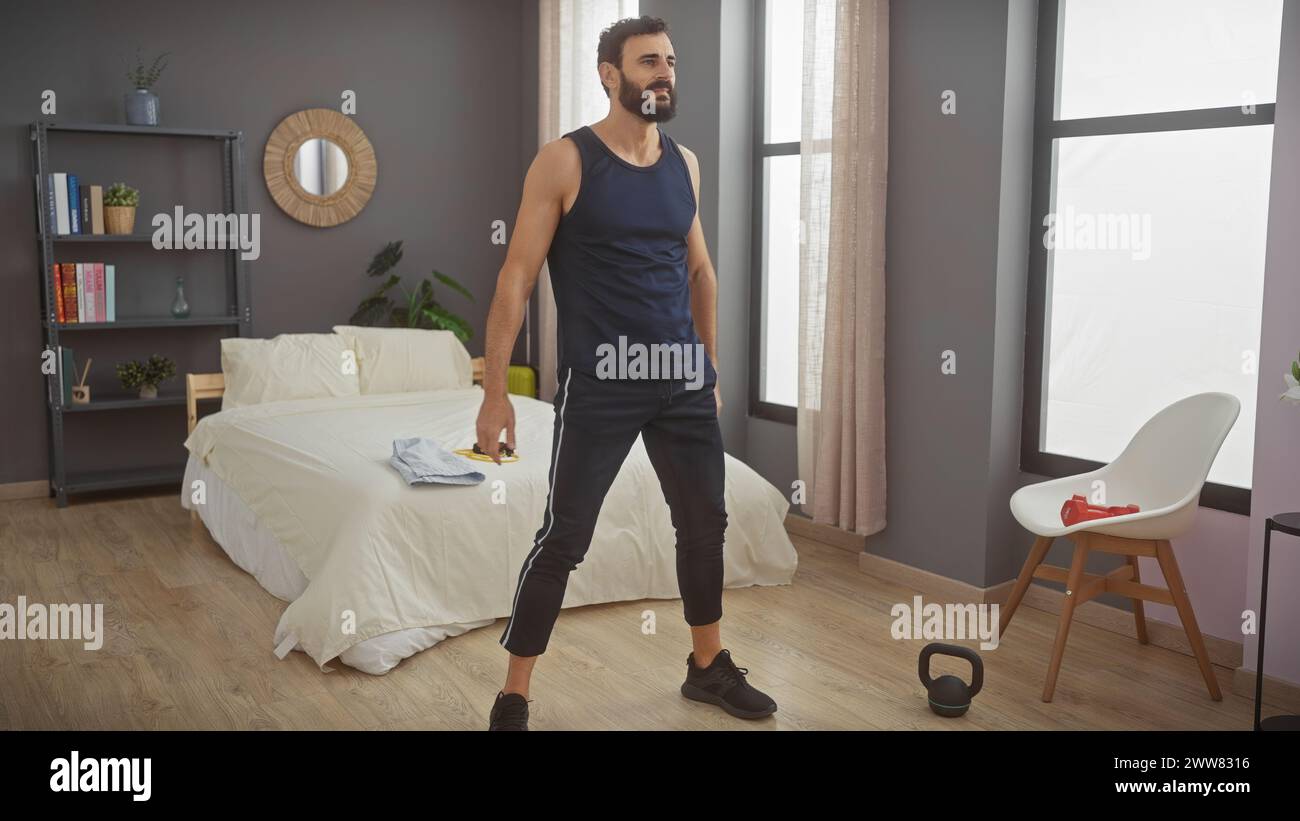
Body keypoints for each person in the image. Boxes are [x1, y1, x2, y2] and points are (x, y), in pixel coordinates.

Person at [476, 15, 778, 731]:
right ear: (610, 75)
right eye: (648, 62)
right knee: (565, 537)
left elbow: (700, 271)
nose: (664, 73)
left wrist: (708, 365)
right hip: (601, 383)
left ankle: (707, 665)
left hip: (681, 379)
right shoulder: (565, 161)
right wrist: (495, 393)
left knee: (704, 523)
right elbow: (517, 277)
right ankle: (514, 692)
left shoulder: (684, 164)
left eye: (669, 61)